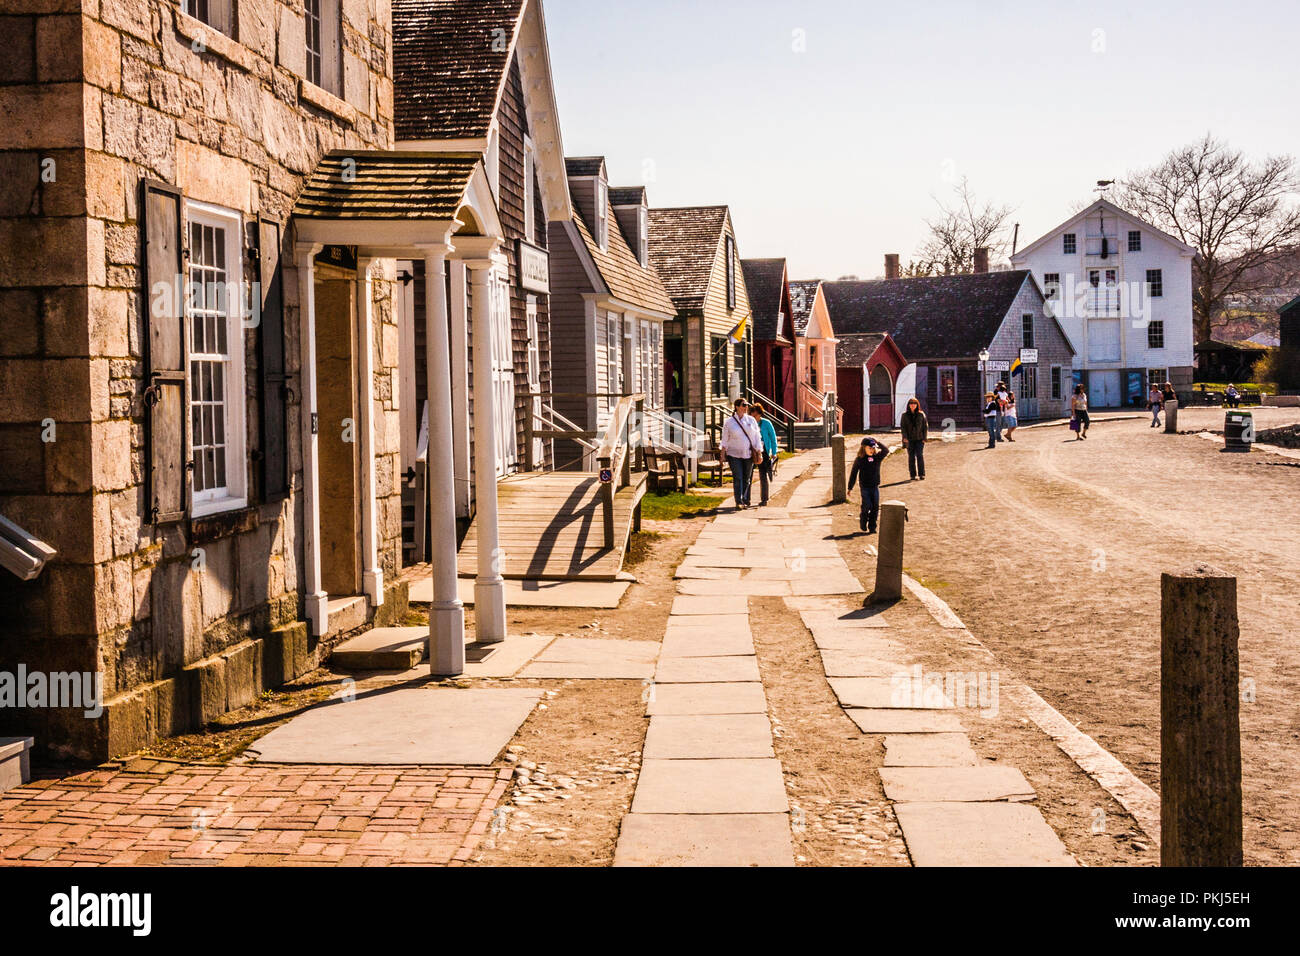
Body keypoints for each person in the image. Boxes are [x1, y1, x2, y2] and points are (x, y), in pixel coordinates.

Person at [720, 398, 761, 509]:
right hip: (734, 454)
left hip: (748, 453)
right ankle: (738, 501)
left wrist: (759, 452)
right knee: (737, 477)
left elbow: (757, 437)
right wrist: (722, 454)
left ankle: (745, 499)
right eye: (743, 405)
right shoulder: (729, 422)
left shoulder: (751, 420)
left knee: (746, 478)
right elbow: (725, 439)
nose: (746, 407)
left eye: (747, 405)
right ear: (737, 407)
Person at [847, 437, 891, 533]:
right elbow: (853, 473)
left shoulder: (877, 458)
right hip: (865, 487)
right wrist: (850, 487)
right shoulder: (859, 459)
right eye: (869, 448)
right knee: (867, 506)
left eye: (873, 448)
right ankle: (863, 520)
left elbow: (886, 450)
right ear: (863, 448)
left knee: (875, 507)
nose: (872, 450)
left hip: (875, 486)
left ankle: (872, 527)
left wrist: (877, 442)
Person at [750, 403, 780, 506]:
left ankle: (764, 498)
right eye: (752, 415)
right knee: (749, 475)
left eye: (755, 416)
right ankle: (746, 498)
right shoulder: (750, 424)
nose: (754, 418)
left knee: (763, 475)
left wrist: (774, 452)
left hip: (765, 451)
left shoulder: (766, 423)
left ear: (759, 414)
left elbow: (773, 438)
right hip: (753, 451)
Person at [899, 397, 928, 480]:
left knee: (919, 455)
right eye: (911, 403)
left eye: (914, 403)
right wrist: (904, 437)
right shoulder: (904, 415)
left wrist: (924, 438)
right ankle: (912, 475)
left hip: (919, 439)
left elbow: (925, 426)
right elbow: (903, 427)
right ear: (908, 405)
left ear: (917, 405)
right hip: (909, 439)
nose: (912, 405)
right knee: (911, 457)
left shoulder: (921, 414)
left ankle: (921, 474)